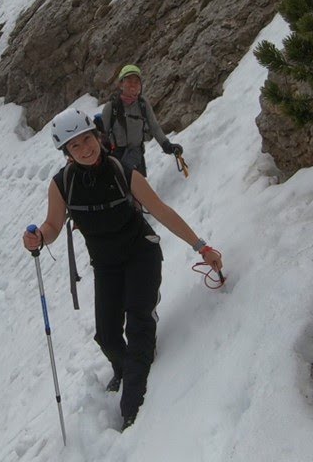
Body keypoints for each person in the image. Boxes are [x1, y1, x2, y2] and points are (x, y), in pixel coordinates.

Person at [22, 108, 223, 429]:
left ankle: (133, 409)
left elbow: (161, 210)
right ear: (66, 153)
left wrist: (202, 247)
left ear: (97, 136)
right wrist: (38, 239)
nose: (85, 148)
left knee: (139, 323)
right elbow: (52, 226)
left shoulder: (123, 172)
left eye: (87, 139)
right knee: (107, 335)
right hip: (106, 265)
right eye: (75, 146)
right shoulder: (62, 185)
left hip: (141, 252)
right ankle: (124, 368)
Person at [101, 64, 182, 177]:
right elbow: (101, 135)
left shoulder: (143, 104)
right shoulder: (111, 107)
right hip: (116, 156)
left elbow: (154, 127)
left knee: (137, 190)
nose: (133, 84)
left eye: (136, 81)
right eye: (128, 80)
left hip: (136, 155)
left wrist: (166, 145)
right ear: (121, 84)